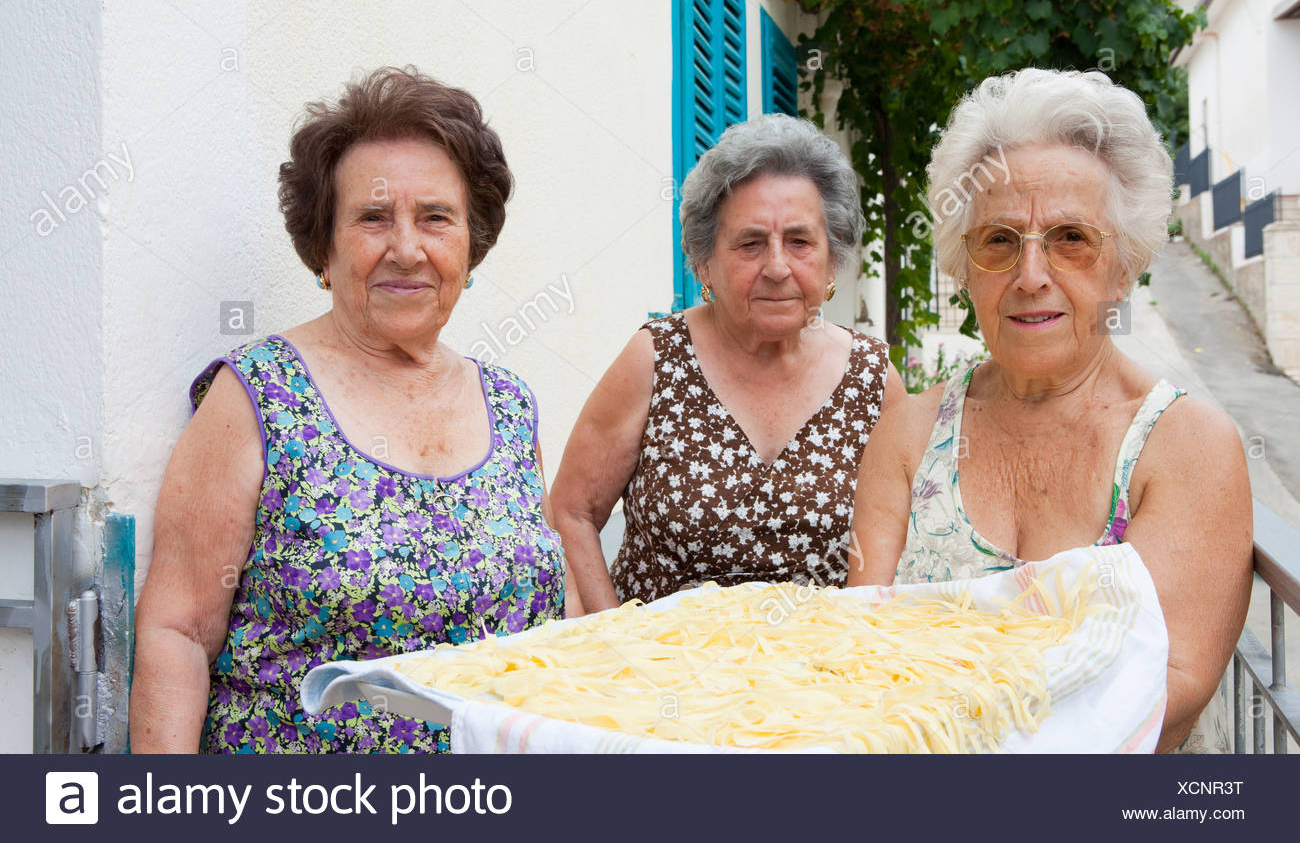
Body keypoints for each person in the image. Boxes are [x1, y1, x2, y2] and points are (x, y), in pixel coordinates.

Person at [130, 67, 574, 753]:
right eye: (372, 218)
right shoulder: (258, 396)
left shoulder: (511, 407)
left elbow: (548, 622)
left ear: (470, 242)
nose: (406, 248)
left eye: (435, 218)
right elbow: (178, 634)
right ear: (324, 247)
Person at [847, 68, 1252, 753]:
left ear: (1124, 267)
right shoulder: (911, 433)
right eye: (999, 241)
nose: (1031, 275)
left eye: (1071, 238)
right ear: (964, 268)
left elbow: (1168, 694)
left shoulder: (1184, 446)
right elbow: (859, 647)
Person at [551, 114, 903, 609]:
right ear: (703, 262)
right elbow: (572, 510)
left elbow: (905, 537)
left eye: (800, 242)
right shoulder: (656, 358)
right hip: (662, 675)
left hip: (821, 679)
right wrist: (613, 637)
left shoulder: (872, 378)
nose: (778, 267)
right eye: (750, 243)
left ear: (833, 260)